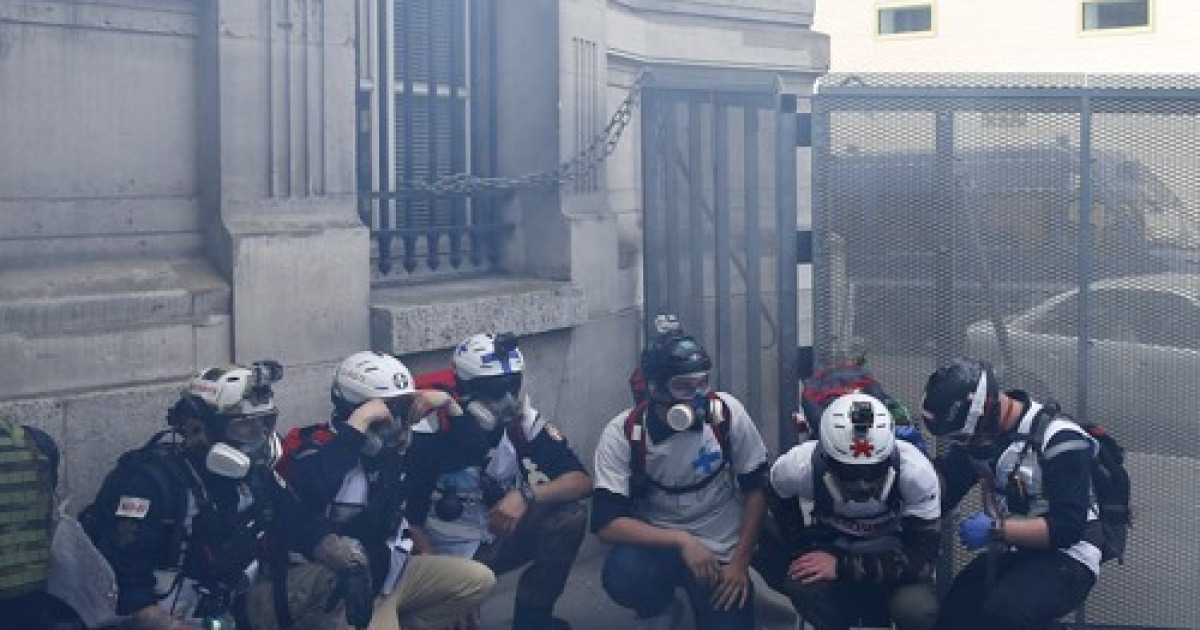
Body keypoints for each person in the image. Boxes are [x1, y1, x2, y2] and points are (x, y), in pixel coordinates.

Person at [86, 361, 373, 630]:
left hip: (231, 609)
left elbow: (304, 528)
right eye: (245, 427)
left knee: (335, 577)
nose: (260, 438)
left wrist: (350, 566)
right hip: (165, 619)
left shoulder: (256, 477)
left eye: (265, 424)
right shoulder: (152, 485)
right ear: (199, 429)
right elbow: (130, 601)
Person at [283, 351, 497, 630]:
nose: (398, 421)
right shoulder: (316, 448)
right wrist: (356, 429)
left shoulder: (399, 449)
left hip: (391, 571)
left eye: (403, 408)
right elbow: (313, 488)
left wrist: (447, 403)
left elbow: (471, 449)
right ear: (356, 409)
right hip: (343, 584)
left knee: (478, 581)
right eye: (389, 410)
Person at [404, 333, 592, 630]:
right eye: (494, 390)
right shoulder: (429, 428)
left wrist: (527, 494)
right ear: (466, 388)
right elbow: (404, 519)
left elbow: (580, 481)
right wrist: (448, 584)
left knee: (569, 516)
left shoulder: (522, 423)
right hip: (439, 553)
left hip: (496, 538)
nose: (506, 400)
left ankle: (533, 619)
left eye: (512, 387)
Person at [592, 321, 769, 630]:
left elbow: (756, 488)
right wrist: (681, 541)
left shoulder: (726, 414)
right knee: (623, 573)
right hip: (660, 541)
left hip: (721, 543)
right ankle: (660, 607)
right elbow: (606, 523)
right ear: (655, 388)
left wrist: (740, 562)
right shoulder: (625, 433)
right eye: (683, 387)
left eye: (702, 383)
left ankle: (708, 597)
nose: (697, 396)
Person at [919, 357, 1099, 630]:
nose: (963, 444)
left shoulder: (1060, 439)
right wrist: (908, 464)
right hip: (1014, 548)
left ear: (984, 411)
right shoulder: (982, 438)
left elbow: (1068, 527)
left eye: (963, 435)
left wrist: (997, 529)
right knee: (956, 615)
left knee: (1007, 614)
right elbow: (946, 489)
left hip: (1069, 555)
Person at [767, 393, 941, 630]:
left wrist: (842, 566)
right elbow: (776, 494)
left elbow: (923, 560)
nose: (862, 485)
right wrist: (802, 547)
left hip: (891, 559)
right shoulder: (797, 467)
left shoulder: (916, 473)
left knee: (918, 609)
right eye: (851, 471)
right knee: (802, 581)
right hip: (832, 549)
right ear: (827, 459)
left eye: (872, 471)